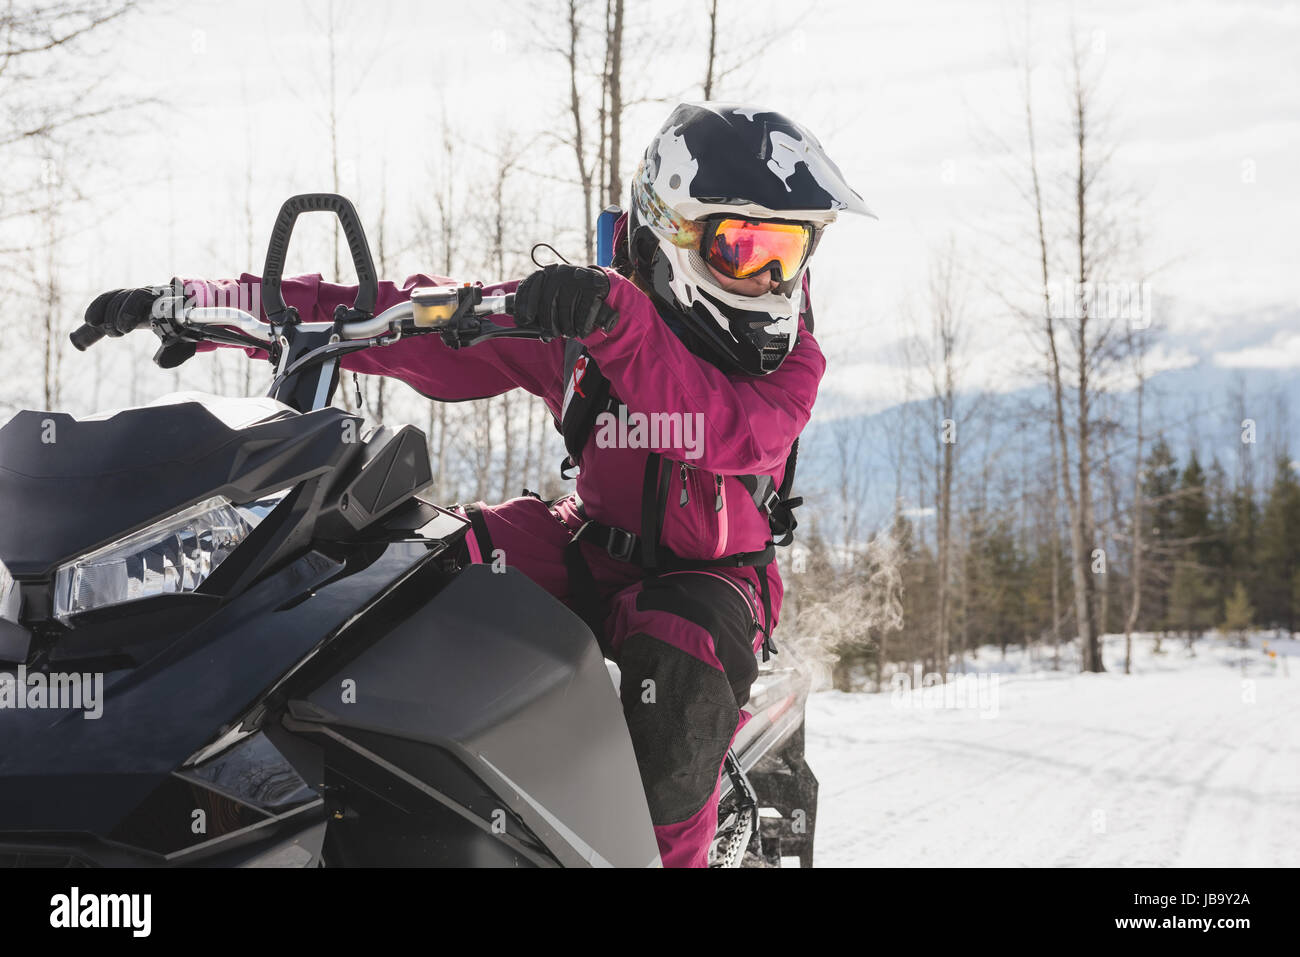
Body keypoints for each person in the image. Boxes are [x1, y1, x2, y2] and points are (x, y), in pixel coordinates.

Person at [83, 102, 873, 867]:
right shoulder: (594, 317)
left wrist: (614, 319)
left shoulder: (785, 358)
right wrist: (206, 304)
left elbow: (725, 429)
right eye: (745, 249)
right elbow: (405, 319)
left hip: (711, 578)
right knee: (392, 568)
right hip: (583, 545)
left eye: (789, 253)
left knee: (680, 655)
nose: (771, 279)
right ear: (671, 227)